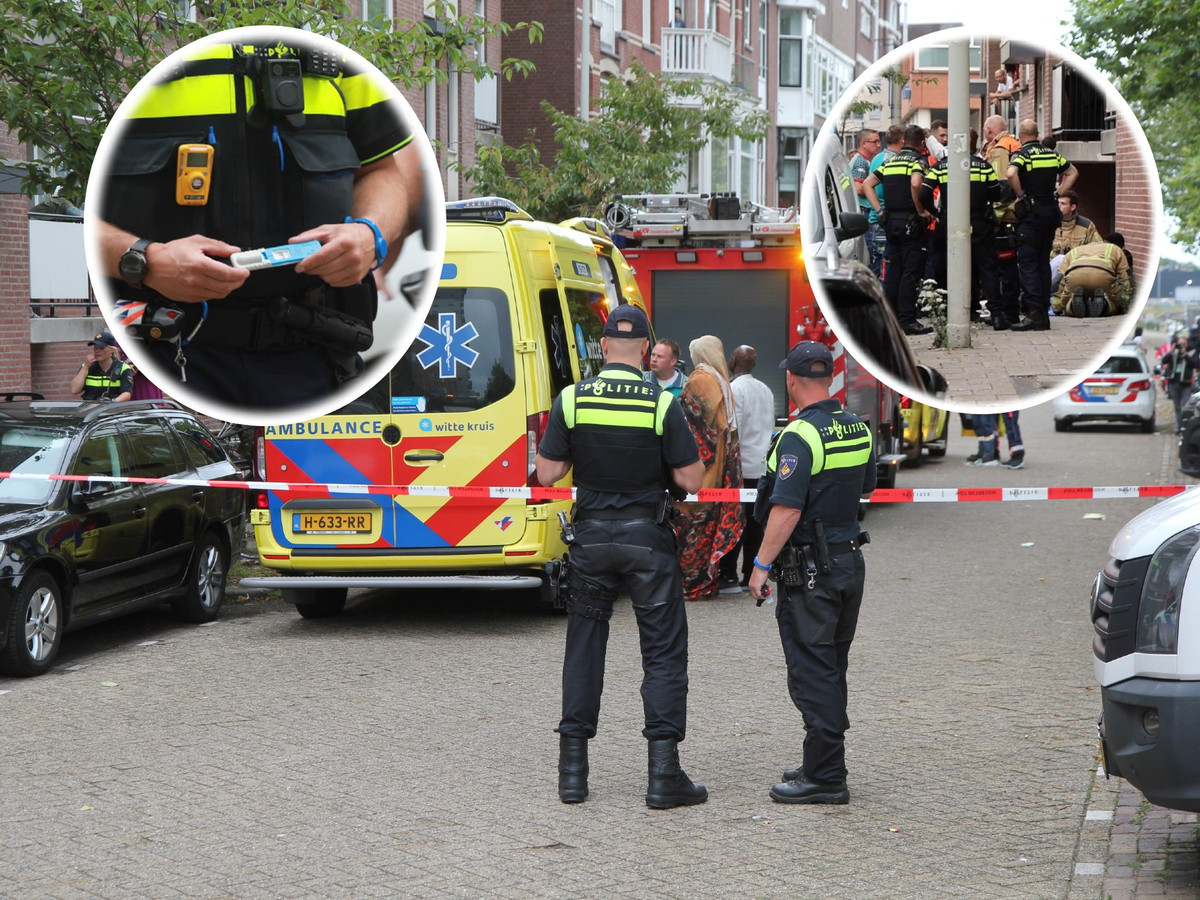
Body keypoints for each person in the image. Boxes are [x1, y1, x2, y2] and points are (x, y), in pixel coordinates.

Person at [94, 32, 423, 413]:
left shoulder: (336, 58)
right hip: (169, 361)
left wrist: (370, 233)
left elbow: (383, 171)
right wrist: (143, 260)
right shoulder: (130, 45)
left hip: (317, 354)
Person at [534, 304, 707, 809]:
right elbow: (692, 480)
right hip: (647, 544)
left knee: (584, 649)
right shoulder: (659, 402)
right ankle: (663, 777)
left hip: (589, 543)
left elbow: (547, 474)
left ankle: (572, 776)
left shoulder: (571, 399)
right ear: (646, 353)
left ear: (604, 347)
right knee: (663, 654)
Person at [748, 341, 875, 805]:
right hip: (847, 563)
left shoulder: (799, 437)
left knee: (812, 670)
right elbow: (867, 487)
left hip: (810, 572)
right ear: (831, 379)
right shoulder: (856, 427)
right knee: (831, 665)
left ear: (792, 380)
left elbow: (784, 509)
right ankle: (820, 760)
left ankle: (826, 777)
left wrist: (761, 565)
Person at [674, 336, 744, 601]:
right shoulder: (721, 381)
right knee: (705, 529)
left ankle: (691, 586)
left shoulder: (700, 380)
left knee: (691, 530)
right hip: (717, 474)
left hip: (699, 473)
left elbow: (694, 430)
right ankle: (705, 583)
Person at [918, 129, 1007, 329]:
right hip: (980, 223)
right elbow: (996, 194)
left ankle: (952, 312)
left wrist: (936, 213)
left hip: (950, 222)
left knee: (948, 266)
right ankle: (998, 316)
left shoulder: (942, 166)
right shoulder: (983, 166)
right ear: (974, 144)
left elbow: (924, 193)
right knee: (987, 269)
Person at [862, 124, 934, 335]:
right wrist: (921, 209)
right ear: (921, 144)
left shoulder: (890, 161)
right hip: (911, 223)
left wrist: (880, 211)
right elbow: (915, 183)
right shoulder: (918, 161)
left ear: (904, 141)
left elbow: (867, 184)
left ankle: (892, 318)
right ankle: (908, 320)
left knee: (894, 270)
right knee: (911, 272)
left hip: (891, 223)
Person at [1007, 119, 1078, 331]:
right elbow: (1073, 172)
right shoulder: (1052, 154)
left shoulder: (1022, 155)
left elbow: (1011, 173)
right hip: (1050, 212)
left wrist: (1020, 195)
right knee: (1042, 263)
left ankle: (1034, 314)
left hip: (1031, 213)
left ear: (1020, 135)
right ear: (1037, 134)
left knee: (1028, 264)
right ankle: (1044, 315)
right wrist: (1058, 192)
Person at [717, 345, 775, 591]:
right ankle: (750, 572)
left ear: (733, 361)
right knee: (755, 524)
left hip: (742, 467)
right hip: (762, 466)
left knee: (734, 523)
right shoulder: (766, 390)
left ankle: (728, 575)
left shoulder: (734, 389)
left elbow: (733, 428)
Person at [1052, 237, 1133, 317]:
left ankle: (1072, 305)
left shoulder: (1075, 250)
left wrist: (1057, 307)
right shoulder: (1115, 249)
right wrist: (1124, 303)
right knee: (1114, 304)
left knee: (1067, 304)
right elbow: (1125, 278)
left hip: (1075, 277)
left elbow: (1059, 279)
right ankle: (1105, 305)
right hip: (1102, 277)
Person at [867, 125, 903, 279]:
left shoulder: (877, 158)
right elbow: (884, 191)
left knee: (878, 263)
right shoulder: (894, 161)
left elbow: (869, 186)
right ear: (902, 140)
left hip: (876, 218)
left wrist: (878, 211)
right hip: (887, 219)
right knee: (887, 266)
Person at [69, 331, 134, 402]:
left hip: (114, 409)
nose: (97, 351)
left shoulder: (123, 368)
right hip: (90, 409)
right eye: (95, 348)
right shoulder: (86, 366)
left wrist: (112, 402)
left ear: (111, 350)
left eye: (101, 348)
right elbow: (74, 390)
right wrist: (86, 367)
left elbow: (127, 394)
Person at [1160, 335, 1196, 433]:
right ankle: (1180, 427)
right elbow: (1164, 361)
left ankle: (1186, 427)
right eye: (1179, 344)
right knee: (1177, 407)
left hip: (1186, 384)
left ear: (1187, 344)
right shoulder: (1173, 353)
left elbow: (1194, 364)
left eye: (1183, 344)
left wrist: (1185, 354)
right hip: (1174, 382)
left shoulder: (1191, 353)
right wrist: (1171, 351)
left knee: (1186, 406)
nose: (1181, 346)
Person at [1051, 190, 1100, 258]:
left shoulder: (1087, 226)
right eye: (1057, 203)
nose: (1058, 206)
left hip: (1076, 266)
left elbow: (1099, 249)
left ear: (1072, 207)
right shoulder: (1049, 224)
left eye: (1063, 203)